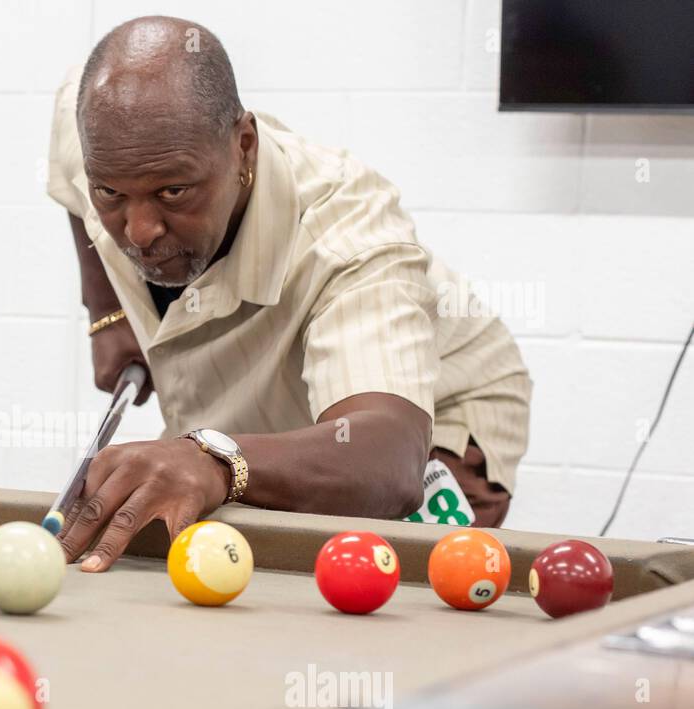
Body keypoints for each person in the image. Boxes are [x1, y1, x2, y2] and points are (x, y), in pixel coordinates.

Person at [47, 16, 532, 571]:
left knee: (357, 589)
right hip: (248, 424)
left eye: (173, 191)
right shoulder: (104, 116)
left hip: (426, 420)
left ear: (244, 147)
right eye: (109, 192)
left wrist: (215, 458)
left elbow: (388, 461)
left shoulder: (348, 238)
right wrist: (105, 311)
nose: (138, 232)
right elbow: (70, 162)